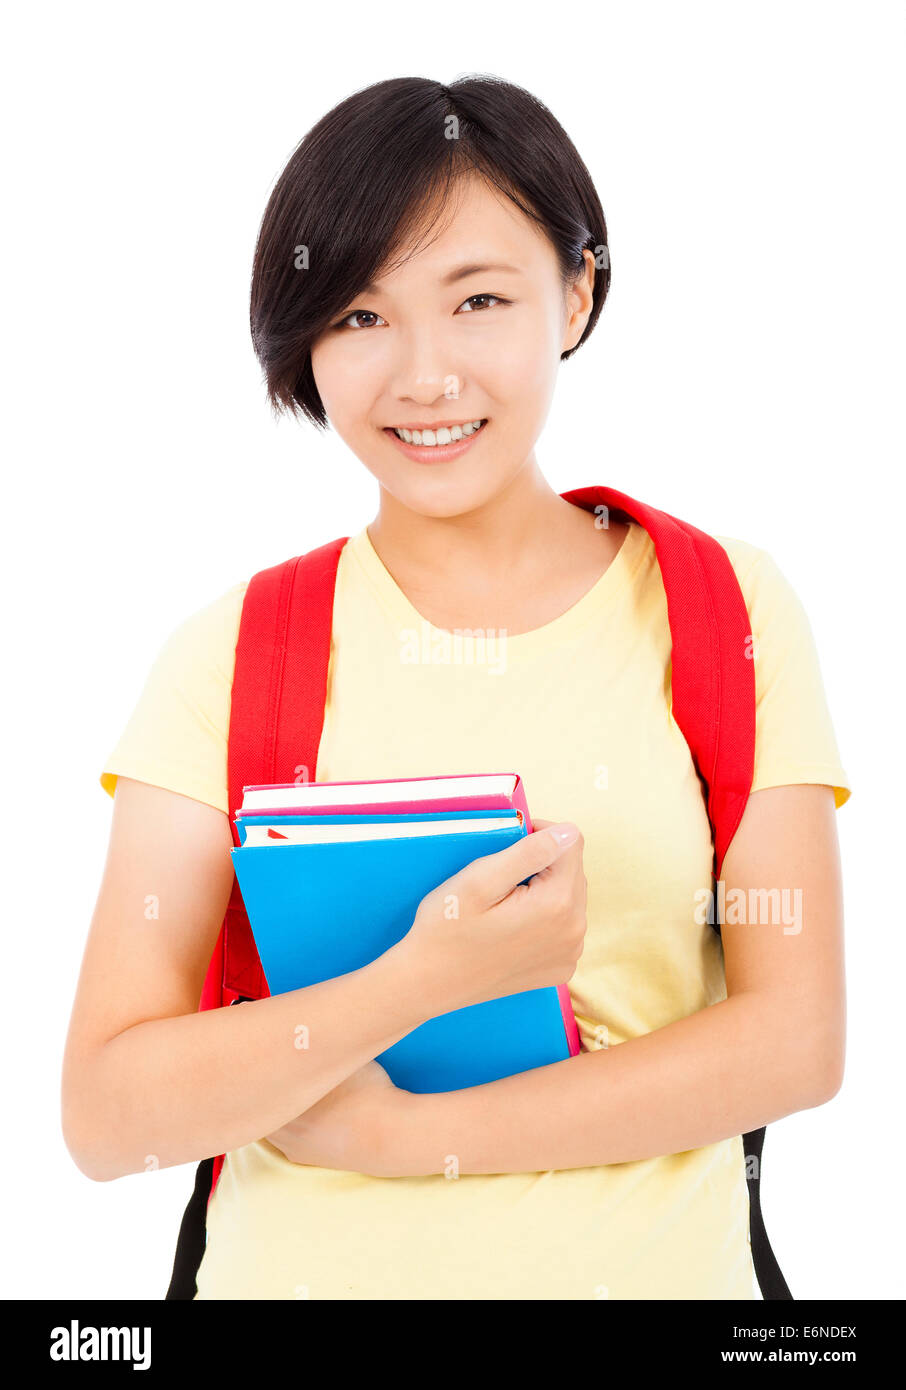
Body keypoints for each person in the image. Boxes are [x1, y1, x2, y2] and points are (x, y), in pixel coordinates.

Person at [62, 74, 851, 1300]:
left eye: (478, 300)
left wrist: (404, 1140)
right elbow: (110, 1117)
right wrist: (419, 981)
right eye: (361, 317)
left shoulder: (724, 612)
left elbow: (794, 1042)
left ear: (577, 291)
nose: (423, 376)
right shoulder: (231, 652)